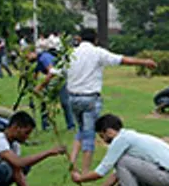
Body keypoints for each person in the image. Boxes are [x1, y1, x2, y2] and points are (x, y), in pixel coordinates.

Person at [64, 28, 157, 173]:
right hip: (90, 98)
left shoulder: (71, 54)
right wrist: (144, 62)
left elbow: (55, 72)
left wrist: (40, 86)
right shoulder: (97, 52)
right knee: (89, 135)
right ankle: (85, 171)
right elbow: (121, 60)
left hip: (73, 98)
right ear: (95, 40)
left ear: (80, 39)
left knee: (80, 131)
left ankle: (72, 162)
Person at [71, 114, 169, 186]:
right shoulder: (128, 136)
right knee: (124, 178)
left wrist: (80, 178)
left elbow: (101, 172)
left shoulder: (121, 140)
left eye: (102, 136)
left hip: (168, 176)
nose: (103, 140)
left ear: (109, 131)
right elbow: (116, 176)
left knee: (121, 162)